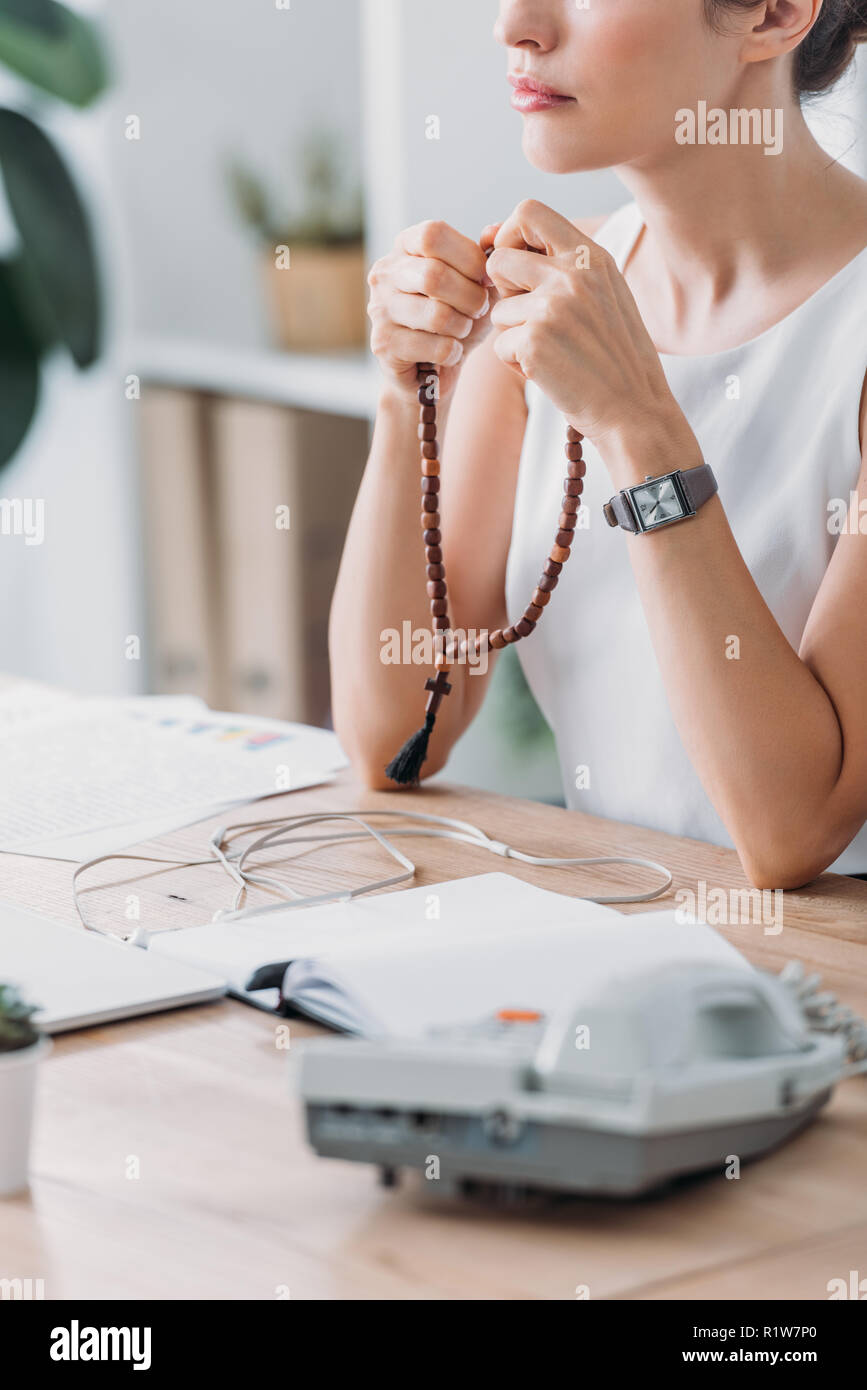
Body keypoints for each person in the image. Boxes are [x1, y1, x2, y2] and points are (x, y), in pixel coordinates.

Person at [330, 0, 867, 888]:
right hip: (621, 948)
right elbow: (393, 741)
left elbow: (790, 833)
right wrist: (407, 400)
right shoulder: (552, 313)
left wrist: (638, 425)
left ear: (771, 13)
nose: (514, 24)